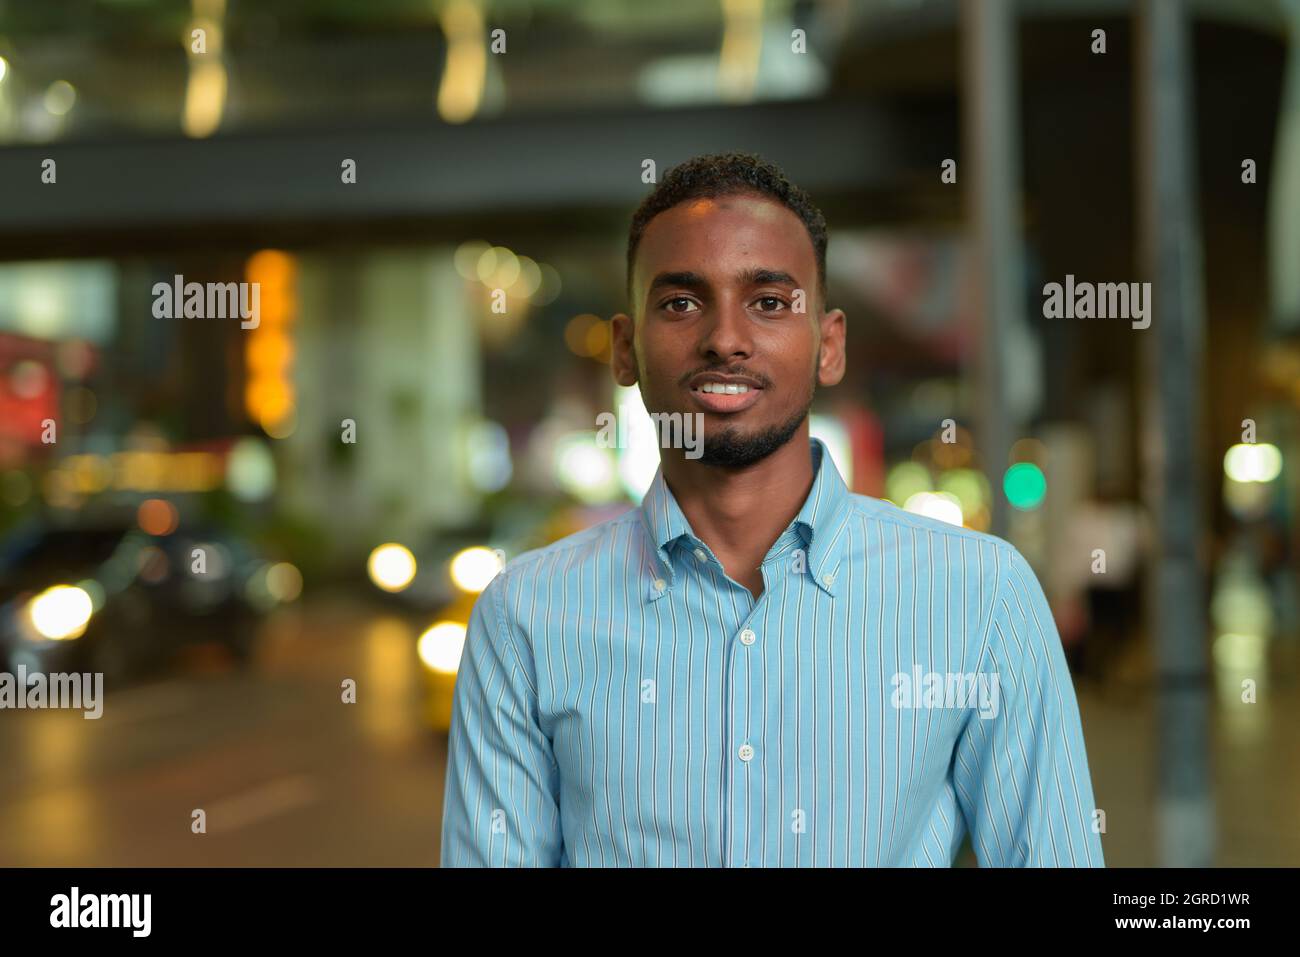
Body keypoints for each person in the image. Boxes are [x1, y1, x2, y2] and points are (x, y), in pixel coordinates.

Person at [441, 152, 1104, 867]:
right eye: (681, 302)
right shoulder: (526, 616)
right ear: (626, 349)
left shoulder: (981, 595)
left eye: (768, 301)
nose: (725, 339)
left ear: (829, 344)